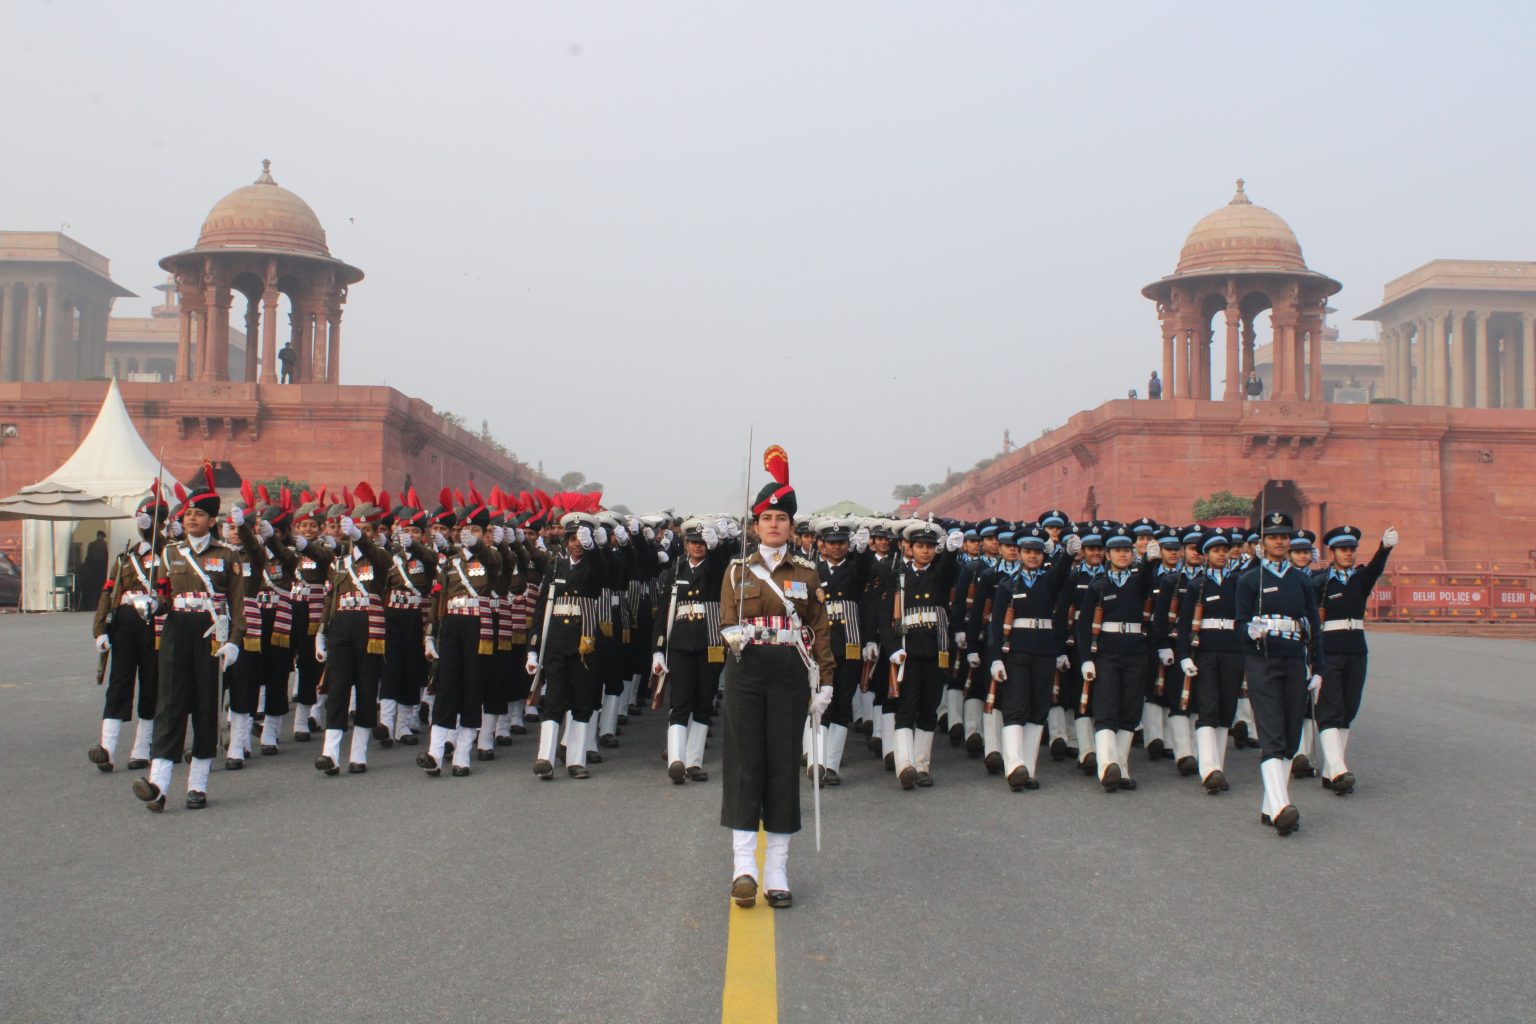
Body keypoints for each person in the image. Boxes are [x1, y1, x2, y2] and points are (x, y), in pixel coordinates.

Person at [718, 445, 834, 910]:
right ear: (754, 525)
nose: (773, 525)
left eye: (781, 518)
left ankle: (777, 870)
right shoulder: (735, 571)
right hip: (747, 671)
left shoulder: (807, 571)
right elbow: (725, 620)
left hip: (790, 672)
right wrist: (735, 633)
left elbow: (819, 629)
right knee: (746, 764)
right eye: (766, 518)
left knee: (784, 766)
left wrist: (825, 681)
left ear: (791, 526)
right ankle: (743, 866)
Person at [131, 463, 246, 812]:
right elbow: (165, 594)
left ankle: (198, 783)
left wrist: (234, 641)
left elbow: (238, 605)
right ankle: (159, 783)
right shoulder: (170, 553)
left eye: (199, 514)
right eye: (189, 512)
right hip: (177, 629)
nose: (192, 518)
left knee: (205, 705)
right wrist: (153, 604)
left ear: (213, 520)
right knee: (170, 703)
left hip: (211, 634)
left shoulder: (227, 556)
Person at [1235, 510, 1323, 837]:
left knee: (1289, 735)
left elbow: (1313, 626)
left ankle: (1270, 805)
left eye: (1284, 537)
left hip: (1293, 661)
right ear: (1262, 542)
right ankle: (1283, 805)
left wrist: (1319, 668)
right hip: (1262, 661)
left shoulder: (1301, 580)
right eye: (1273, 537)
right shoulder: (1248, 580)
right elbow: (1238, 625)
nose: (1279, 542)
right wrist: (1249, 631)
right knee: (1271, 733)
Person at [89, 486, 170, 773]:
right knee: (119, 684)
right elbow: (107, 592)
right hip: (124, 623)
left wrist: (157, 534)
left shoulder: (170, 553)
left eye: (148, 519)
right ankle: (107, 748)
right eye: (140, 520)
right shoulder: (126, 557)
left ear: (161, 523)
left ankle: (142, 747)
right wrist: (99, 630)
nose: (142, 525)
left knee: (151, 683)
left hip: (154, 625)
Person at [651, 515, 737, 783]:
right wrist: (658, 649)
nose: (698, 547)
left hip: (710, 642)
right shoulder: (677, 570)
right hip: (680, 643)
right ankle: (676, 758)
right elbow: (664, 612)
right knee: (680, 700)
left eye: (703, 543)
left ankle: (694, 761)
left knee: (703, 701)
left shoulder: (716, 568)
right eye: (694, 542)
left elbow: (722, 570)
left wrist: (718, 549)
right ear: (686, 544)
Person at [1313, 523, 1397, 795]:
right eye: (1343, 549)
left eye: (1352, 549)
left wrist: (1384, 548)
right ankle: (1339, 768)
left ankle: (1330, 771)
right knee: (1330, 709)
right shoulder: (1320, 581)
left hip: (1356, 650)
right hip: (1328, 649)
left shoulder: (1360, 579)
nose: (1348, 553)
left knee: (1348, 709)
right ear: (1333, 551)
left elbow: (1375, 568)